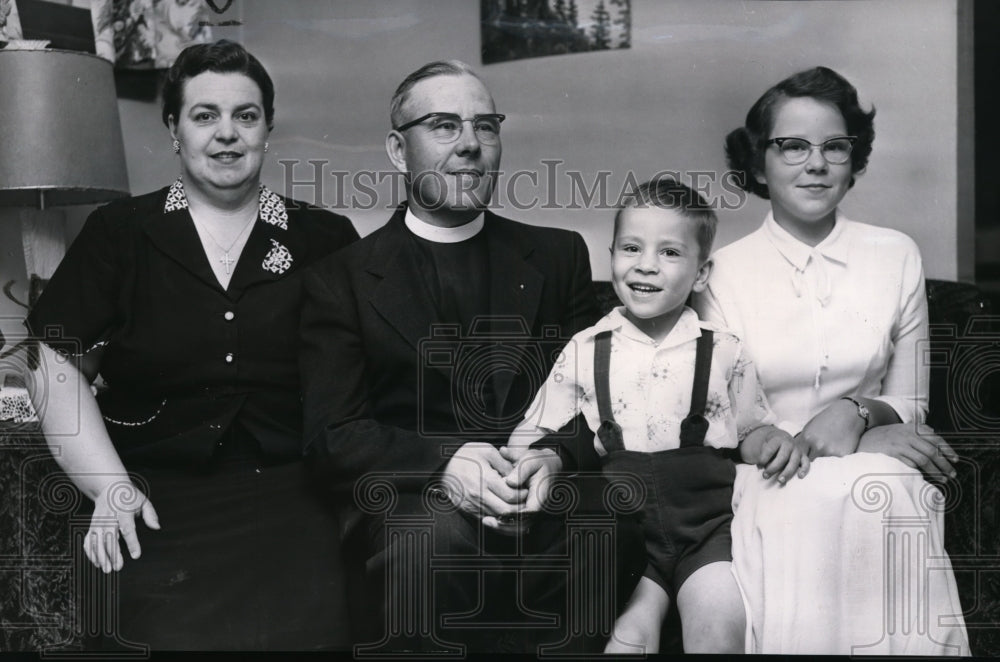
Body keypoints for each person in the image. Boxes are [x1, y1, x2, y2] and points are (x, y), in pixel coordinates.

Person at [25, 39, 359, 650]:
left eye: (246, 115)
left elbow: (355, 374)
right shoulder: (120, 233)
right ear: (174, 130)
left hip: (291, 490)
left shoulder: (324, 237)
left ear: (268, 128)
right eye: (205, 115)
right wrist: (108, 486)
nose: (226, 134)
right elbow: (57, 362)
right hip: (153, 490)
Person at [300, 59, 643, 654]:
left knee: (605, 523)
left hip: (542, 494)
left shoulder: (557, 255)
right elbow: (334, 435)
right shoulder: (342, 280)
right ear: (396, 150)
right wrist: (445, 462)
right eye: (443, 126)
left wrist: (554, 460)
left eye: (485, 126)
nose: (469, 146)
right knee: (427, 546)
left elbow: (601, 404)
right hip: (416, 500)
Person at [693, 65, 970, 655]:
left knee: (890, 483)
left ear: (853, 158)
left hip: (874, 461)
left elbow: (910, 401)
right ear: (758, 159)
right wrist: (819, 441)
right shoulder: (722, 273)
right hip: (770, 473)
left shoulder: (895, 254)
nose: (815, 163)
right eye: (792, 146)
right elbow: (726, 417)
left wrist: (857, 414)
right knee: (809, 493)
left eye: (834, 146)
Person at [506, 177, 809, 654]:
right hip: (629, 542)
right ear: (611, 256)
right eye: (631, 248)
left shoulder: (724, 349)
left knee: (719, 630)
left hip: (707, 534)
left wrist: (772, 440)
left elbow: (748, 431)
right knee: (628, 643)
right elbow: (536, 430)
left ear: (702, 273)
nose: (646, 265)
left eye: (669, 253)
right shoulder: (586, 348)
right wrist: (522, 466)